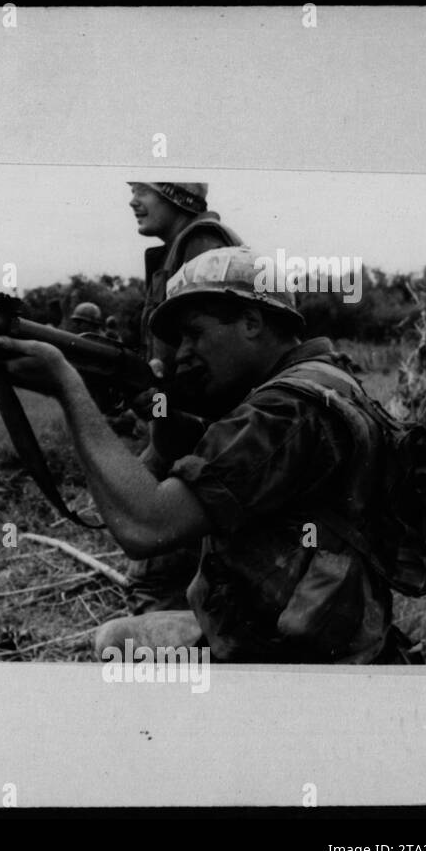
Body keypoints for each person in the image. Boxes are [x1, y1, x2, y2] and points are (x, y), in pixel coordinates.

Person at [0, 246, 403, 664]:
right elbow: (239, 479)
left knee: (117, 645)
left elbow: (146, 527)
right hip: (314, 624)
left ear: (251, 322)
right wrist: (164, 421)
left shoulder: (283, 411)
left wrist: (67, 388)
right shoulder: (323, 380)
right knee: (125, 636)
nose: (183, 353)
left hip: (294, 656)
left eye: (195, 333)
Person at [122, 182, 243, 613]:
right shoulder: (176, 252)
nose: (133, 200)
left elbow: (211, 367)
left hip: (198, 444)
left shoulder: (202, 246)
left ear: (176, 194)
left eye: (143, 190)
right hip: (177, 436)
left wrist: (158, 396)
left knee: (158, 585)